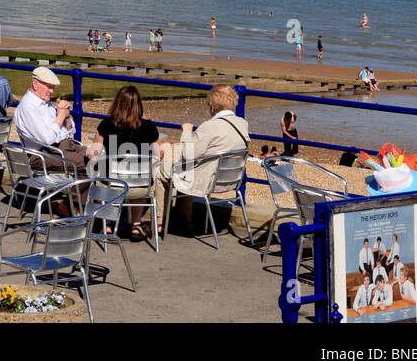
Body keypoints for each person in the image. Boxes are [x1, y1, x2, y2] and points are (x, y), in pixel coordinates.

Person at [152, 85, 250, 236]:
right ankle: (185, 220)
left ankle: (160, 222)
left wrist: (186, 131)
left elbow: (188, 153)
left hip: (206, 181)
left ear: (212, 106)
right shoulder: (242, 124)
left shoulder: (210, 126)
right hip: (229, 180)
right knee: (186, 170)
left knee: (161, 172)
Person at [89, 85, 164, 240]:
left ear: (116, 103)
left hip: (112, 186)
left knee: (105, 175)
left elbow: (92, 154)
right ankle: (136, 225)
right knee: (139, 175)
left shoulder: (106, 125)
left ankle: (108, 225)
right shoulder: (149, 127)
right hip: (141, 188)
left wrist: (102, 163)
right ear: (139, 105)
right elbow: (160, 154)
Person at [13, 66, 87, 172]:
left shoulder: (45, 103)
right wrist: (60, 116)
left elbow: (68, 130)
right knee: (90, 162)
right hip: (42, 155)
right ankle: (76, 188)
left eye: (53, 87)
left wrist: (65, 115)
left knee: (98, 154)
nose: (52, 91)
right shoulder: (28, 107)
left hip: (62, 147)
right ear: (35, 85)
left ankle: (79, 188)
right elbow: (48, 139)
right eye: (49, 87)